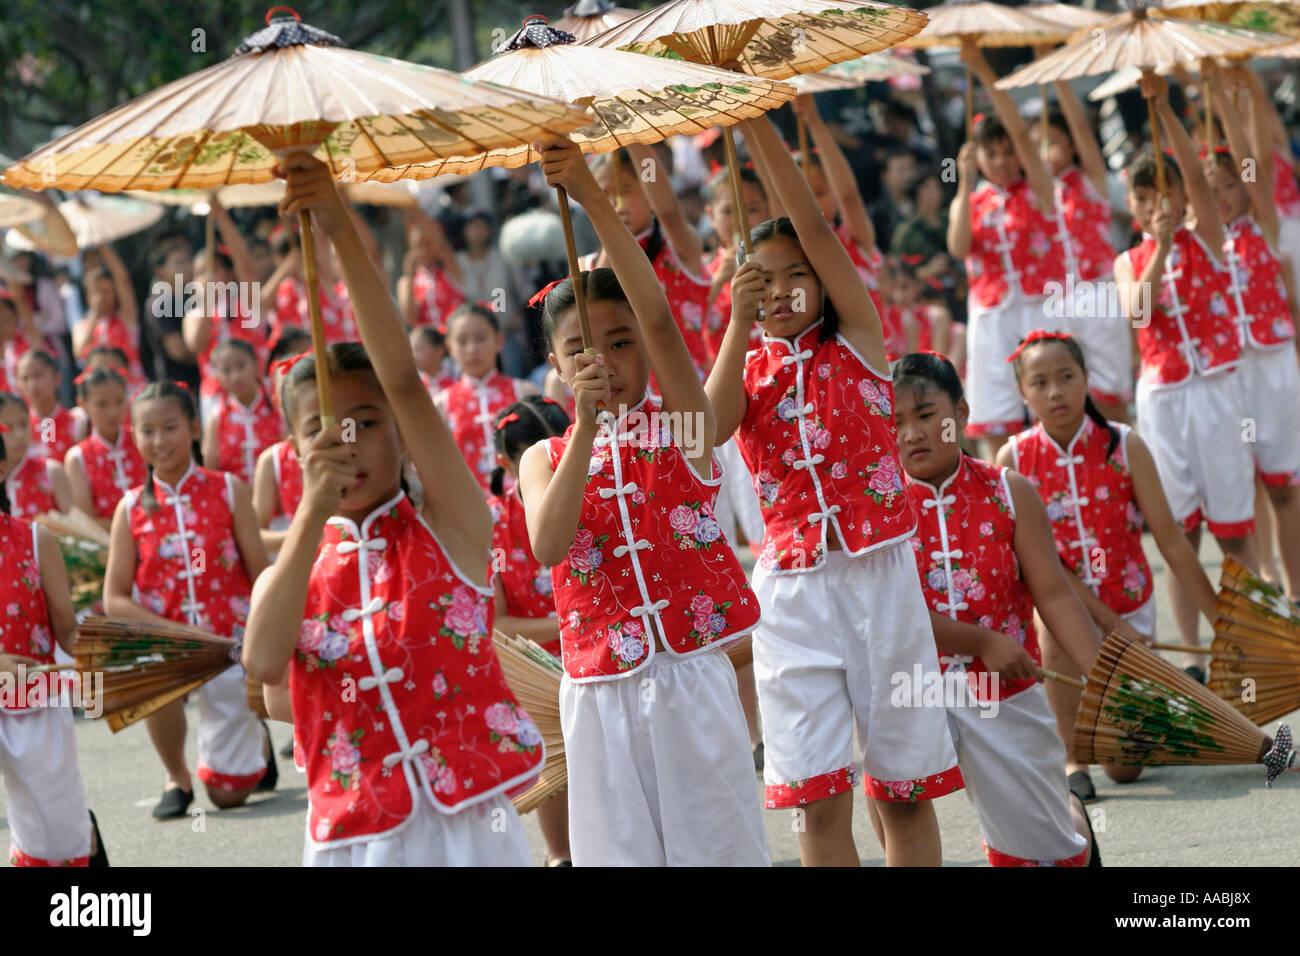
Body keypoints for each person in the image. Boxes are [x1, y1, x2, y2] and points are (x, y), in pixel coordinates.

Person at [242, 152, 541, 866]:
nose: (346, 441)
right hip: (353, 835)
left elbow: (404, 381)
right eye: (320, 427)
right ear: (291, 448)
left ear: (404, 435)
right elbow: (260, 658)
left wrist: (341, 227)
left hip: (469, 827)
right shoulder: (294, 568)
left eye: (367, 422)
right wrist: (310, 515)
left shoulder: (452, 530)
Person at [709, 114, 958, 866]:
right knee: (815, 799)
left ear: (823, 278)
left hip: (882, 580)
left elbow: (815, 224)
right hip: (790, 595)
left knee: (902, 790)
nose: (783, 290)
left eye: (797, 275)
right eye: (766, 279)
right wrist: (734, 320)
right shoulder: (745, 369)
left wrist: (754, 126)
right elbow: (711, 427)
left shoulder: (859, 339)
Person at [520, 137, 770, 867]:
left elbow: (662, 318)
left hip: (692, 678)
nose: (607, 358)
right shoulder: (541, 456)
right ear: (557, 366)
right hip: (596, 693)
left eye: (620, 341)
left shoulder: (685, 427)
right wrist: (588, 425)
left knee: (718, 854)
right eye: (581, 348)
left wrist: (593, 198)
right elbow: (548, 544)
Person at [893, 350, 1100, 867]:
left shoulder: (1010, 492)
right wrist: (981, 642)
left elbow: (1053, 594)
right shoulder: (876, 504)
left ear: (961, 415)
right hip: (908, 688)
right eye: (893, 422)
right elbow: (889, 613)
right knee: (899, 811)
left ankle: (1070, 817)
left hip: (1000, 686)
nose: (911, 434)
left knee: (1041, 853)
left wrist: (1107, 678)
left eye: (925, 416)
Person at [1000, 330, 1220, 799]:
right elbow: (1040, 571)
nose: (1055, 391)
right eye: (1039, 382)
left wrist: (1223, 623)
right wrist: (1106, 621)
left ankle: (1123, 719)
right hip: (1064, 611)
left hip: (1131, 606)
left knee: (1123, 770)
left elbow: (1173, 542)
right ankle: (1070, 756)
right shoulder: (1014, 460)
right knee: (1052, 629)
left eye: (1067, 376)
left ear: (1087, 379)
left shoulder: (1125, 444)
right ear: (1022, 393)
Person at [1114, 76, 1260, 672]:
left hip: (1220, 391)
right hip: (1165, 398)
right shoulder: (1128, 260)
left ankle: (1253, 644)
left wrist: (1163, 107)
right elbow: (1139, 313)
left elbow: (1199, 179)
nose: (1156, 208)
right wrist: (1162, 248)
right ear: (1131, 205)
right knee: (1181, 531)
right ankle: (1197, 653)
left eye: (1165, 196)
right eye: (1143, 199)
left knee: (1234, 526)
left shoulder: (1210, 238)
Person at [103, 380, 273, 820]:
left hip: (232, 645)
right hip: (171, 643)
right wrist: (179, 632)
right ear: (135, 436)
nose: (159, 441)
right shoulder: (130, 509)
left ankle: (251, 738)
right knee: (150, 671)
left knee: (228, 797)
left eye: (170, 427)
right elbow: (115, 599)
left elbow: (261, 575)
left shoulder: (229, 490)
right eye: (147, 431)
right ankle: (176, 775)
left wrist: (264, 640)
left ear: (195, 428)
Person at [1206, 66, 1300, 602]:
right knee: (1245, 483)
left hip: (1274, 366)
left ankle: (1295, 590)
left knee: (1284, 485)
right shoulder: (1202, 242)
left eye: (1228, 186)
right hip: (1228, 374)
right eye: (1209, 188)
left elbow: (1252, 165)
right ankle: (1264, 584)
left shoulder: (1263, 225)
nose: (1220, 195)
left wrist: (1224, 94)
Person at [949, 42, 1065, 454]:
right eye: (989, 153)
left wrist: (982, 70)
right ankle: (1003, 492)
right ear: (975, 156)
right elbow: (959, 246)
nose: (1000, 160)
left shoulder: (1039, 187)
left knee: (1053, 405)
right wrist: (963, 183)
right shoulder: (971, 199)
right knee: (995, 411)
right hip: (991, 314)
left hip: (1040, 305)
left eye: (1006, 151)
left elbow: (1019, 130)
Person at [0, 430, 107, 867]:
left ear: (1, 469)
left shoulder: (34, 539)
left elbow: (66, 628)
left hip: (33, 696)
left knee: (56, 838)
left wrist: (115, 659)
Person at [487, 396, 572, 867]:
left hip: (604, 649)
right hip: (531, 670)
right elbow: (496, 623)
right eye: (526, 460)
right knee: (554, 750)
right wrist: (565, 623)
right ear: (505, 462)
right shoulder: (491, 522)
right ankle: (559, 855)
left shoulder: (593, 485)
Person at [1028, 82, 1132, 424]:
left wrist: (1055, 76)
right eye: (1037, 145)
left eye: (1053, 141)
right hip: (1053, 297)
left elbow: (1082, 127)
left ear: (1072, 144)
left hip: (1097, 291)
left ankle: (1126, 460)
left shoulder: (1091, 182)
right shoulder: (1032, 196)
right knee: (1068, 396)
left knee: (1111, 392)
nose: (1045, 152)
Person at [582, 144, 713, 378]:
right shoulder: (589, 265)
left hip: (694, 390)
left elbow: (668, 210)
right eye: (605, 195)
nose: (615, 202)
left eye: (625, 190)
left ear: (648, 190)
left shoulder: (678, 247)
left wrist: (632, 138)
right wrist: (612, 232)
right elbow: (595, 310)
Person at [434, 303, 537, 494]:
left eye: (481, 338)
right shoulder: (441, 404)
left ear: (499, 341)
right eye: (462, 341)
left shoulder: (524, 393)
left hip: (524, 504)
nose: (472, 349)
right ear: (449, 347)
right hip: (470, 509)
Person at [252, 328, 312, 557]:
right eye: (286, 391)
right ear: (276, 399)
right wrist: (306, 535)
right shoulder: (273, 459)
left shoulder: (344, 444)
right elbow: (257, 534)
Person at [64, 366, 144, 531]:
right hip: (108, 543)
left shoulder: (142, 440)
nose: (112, 412)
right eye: (102, 404)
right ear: (82, 404)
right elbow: (88, 521)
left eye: (119, 401)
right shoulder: (77, 457)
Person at [201, 339, 282, 486]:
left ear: (256, 365)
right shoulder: (217, 416)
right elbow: (210, 467)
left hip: (276, 498)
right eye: (226, 371)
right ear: (217, 377)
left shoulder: (277, 407)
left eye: (241, 366)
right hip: (235, 501)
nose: (236, 376)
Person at [73, 246, 144, 392]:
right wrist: (95, 316)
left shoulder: (126, 318)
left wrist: (101, 245)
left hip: (132, 389)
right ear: (87, 296)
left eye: (106, 292)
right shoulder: (81, 326)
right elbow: (80, 353)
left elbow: (123, 279)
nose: (101, 297)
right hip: (98, 394)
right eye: (95, 292)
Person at [0, 391, 72, 518]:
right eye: (8, 428)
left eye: (24, 424)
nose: (20, 435)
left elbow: (76, 527)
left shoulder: (51, 471)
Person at [396, 211, 465, 332]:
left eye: (428, 245)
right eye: (417, 246)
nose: (423, 251)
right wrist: (410, 277)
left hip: (453, 337)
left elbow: (441, 245)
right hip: (427, 345)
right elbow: (410, 318)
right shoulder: (405, 281)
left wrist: (414, 207)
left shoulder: (451, 270)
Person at [16, 349, 85, 465]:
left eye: (38, 375)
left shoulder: (77, 423)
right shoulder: (17, 428)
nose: (32, 384)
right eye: (24, 378)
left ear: (57, 378)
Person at [409, 324, 456, 397]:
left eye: (418, 349)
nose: (413, 356)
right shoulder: (414, 386)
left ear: (439, 350)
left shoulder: (456, 381)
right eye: (411, 350)